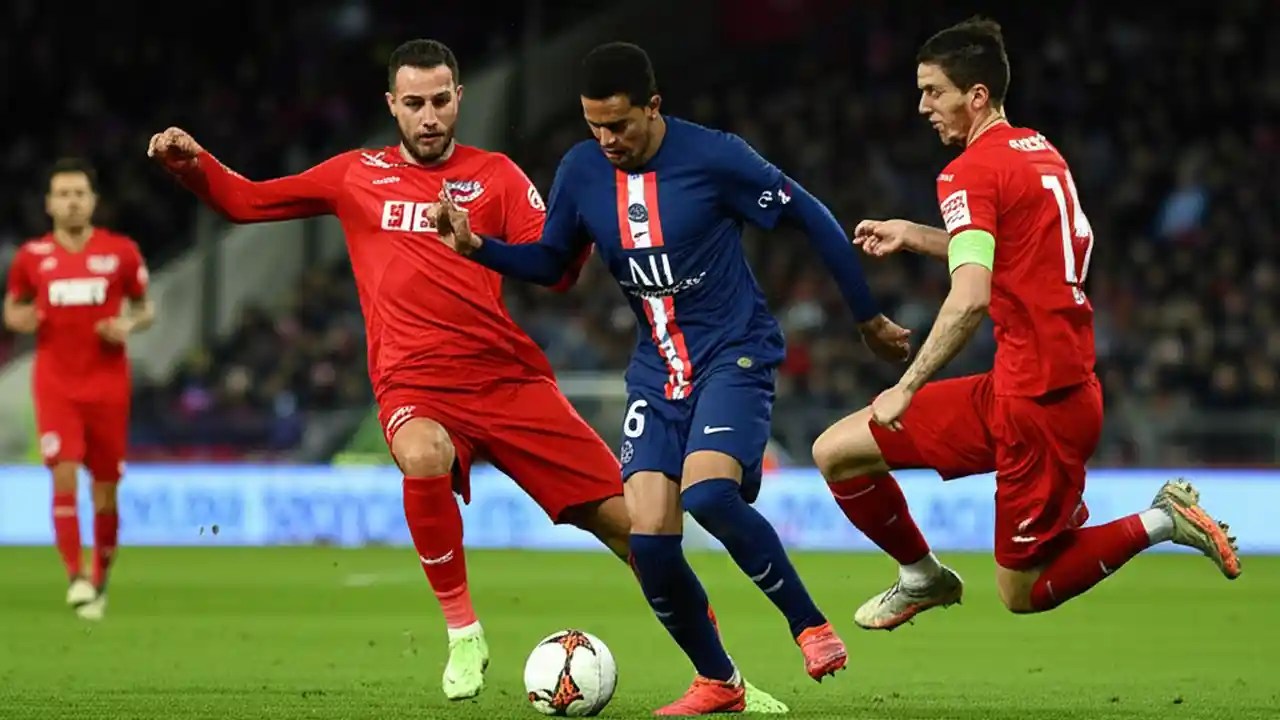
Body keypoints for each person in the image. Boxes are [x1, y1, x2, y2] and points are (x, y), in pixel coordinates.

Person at [147, 39, 787, 713]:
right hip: (415, 384)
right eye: (415, 103)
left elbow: (558, 267)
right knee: (422, 455)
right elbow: (248, 202)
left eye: (441, 101)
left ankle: (726, 679)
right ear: (392, 106)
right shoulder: (355, 174)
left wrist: (521, 235)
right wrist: (195, 168)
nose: (430, 117)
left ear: (460, 98)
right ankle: (463, 631)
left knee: (641, 532)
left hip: (510, 382)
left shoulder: (499, 177)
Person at [434, 41, 910, 716]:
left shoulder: (715, 157)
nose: (607, 140)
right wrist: (479, 247)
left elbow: (811, 216)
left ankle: (809, 624)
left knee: (710, 494)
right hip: (657, 374)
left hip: (734, 355)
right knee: (650, 541)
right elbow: (550, 264)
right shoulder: (581, 171)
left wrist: (866, 319)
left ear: (654, 108)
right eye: (594, 125)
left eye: (620, 125)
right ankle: (720, 681)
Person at [809, 17, 1240, 630]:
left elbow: (970, 297)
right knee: (838, 451)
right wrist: (917, 235)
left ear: (976, 95)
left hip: (1039, 406)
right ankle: (922, 576)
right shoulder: (1038, 151)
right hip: (1018, 385)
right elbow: (1008, 255)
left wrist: (906, 386)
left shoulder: (968, 171)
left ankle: (1162, 518)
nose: (923, 106)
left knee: (1023, 590)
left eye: (934, 91)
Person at [4, 158, 156, 622]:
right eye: (63, 194)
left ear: (92, 201)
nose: (71, 202)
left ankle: (99, 577)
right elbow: (13, 308)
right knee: (64, 473)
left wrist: (127, 324)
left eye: (79, 194)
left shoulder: (120, 253)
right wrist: (21, 320)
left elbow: (145, 307)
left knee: (106, 492)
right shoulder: (32, 258)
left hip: (108, 385)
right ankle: (75, 577)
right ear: (50, 204)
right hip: (56, 384)